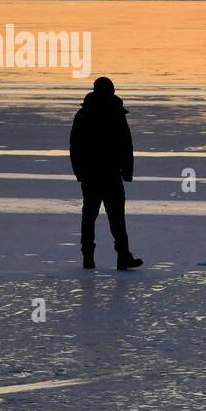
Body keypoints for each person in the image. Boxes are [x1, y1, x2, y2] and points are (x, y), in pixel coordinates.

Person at [69, 76, 143, 270]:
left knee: (95, 216)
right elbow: (126, 145)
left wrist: (80, 172)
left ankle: (100, 257)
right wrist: (127, 171)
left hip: (97, 174)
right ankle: (117, 256)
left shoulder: (87, 113)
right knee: (112, 217)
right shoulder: (110, 112)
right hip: (104, 174)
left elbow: (75, 147)